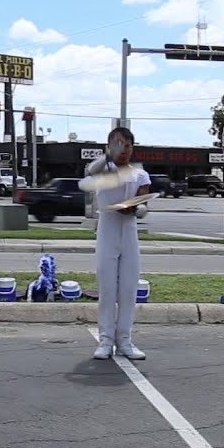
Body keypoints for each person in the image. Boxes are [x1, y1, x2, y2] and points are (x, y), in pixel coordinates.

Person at [80, 127, 151, 361]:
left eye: (127, 145)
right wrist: (109, 155)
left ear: (132, 148)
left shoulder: (140, 174)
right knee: (107, 289)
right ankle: (105, 340)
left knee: (129, 289)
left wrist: (138, 208)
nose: (123, 150)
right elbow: (90, 171)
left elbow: (143, 200)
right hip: (107, 230)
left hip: (128, 231)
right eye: (118, 145)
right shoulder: (103, 171)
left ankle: (125, 340)